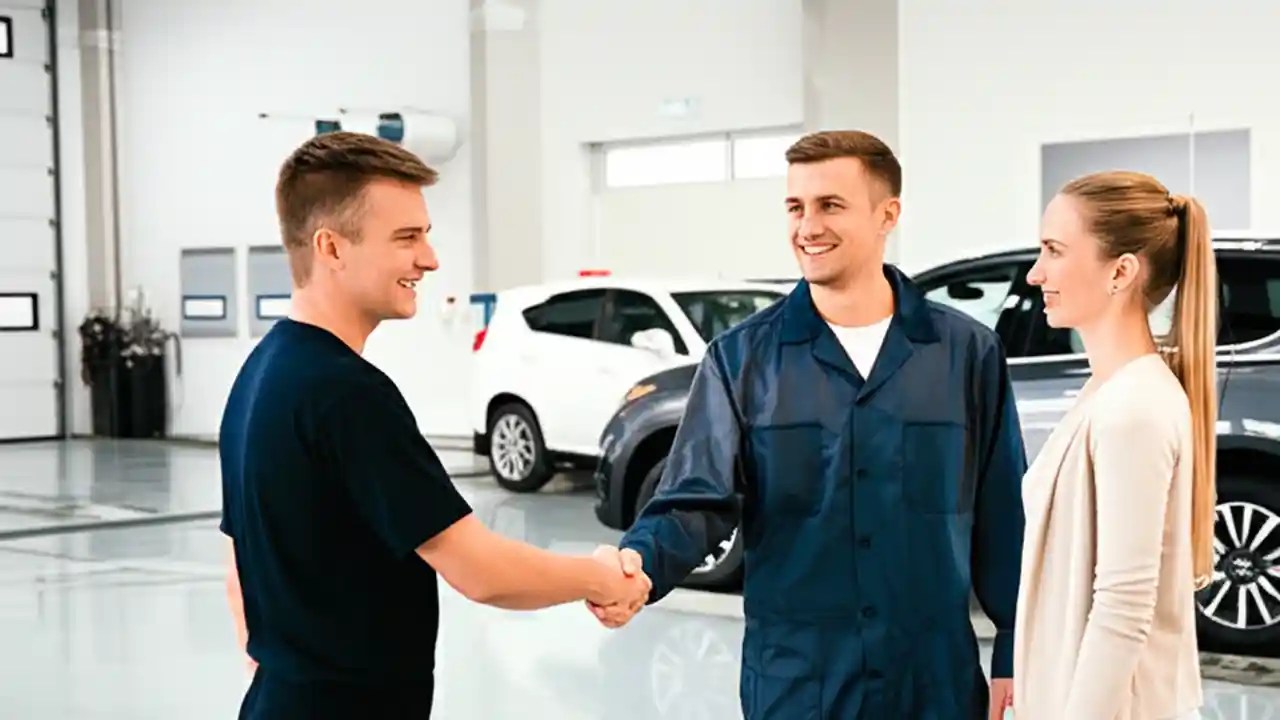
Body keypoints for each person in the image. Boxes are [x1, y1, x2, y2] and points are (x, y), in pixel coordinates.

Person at [590, 129, 1028, 720]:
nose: (807, 227)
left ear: (887, 215)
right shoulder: (741, 359)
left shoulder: (965, 354)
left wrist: (1012, 647)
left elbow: (1004, 515)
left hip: (932, 683)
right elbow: (695, 500)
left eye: (830, 206)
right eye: (795, 207)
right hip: (798, 686)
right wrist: (639, 567)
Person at [218, 131, 651, 719]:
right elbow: (481, 571)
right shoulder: (346, 393)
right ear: (332, 247)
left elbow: (238, 572)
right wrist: (601, 578)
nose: (430, 258)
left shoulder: (260, 374)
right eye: (406, 238)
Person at [1013, 171, 1215, 720]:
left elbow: (1124, 608)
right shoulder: (1111, 391)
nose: (1036, 274)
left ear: (1121, 271)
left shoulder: (1133, 408)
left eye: (1054, 250)